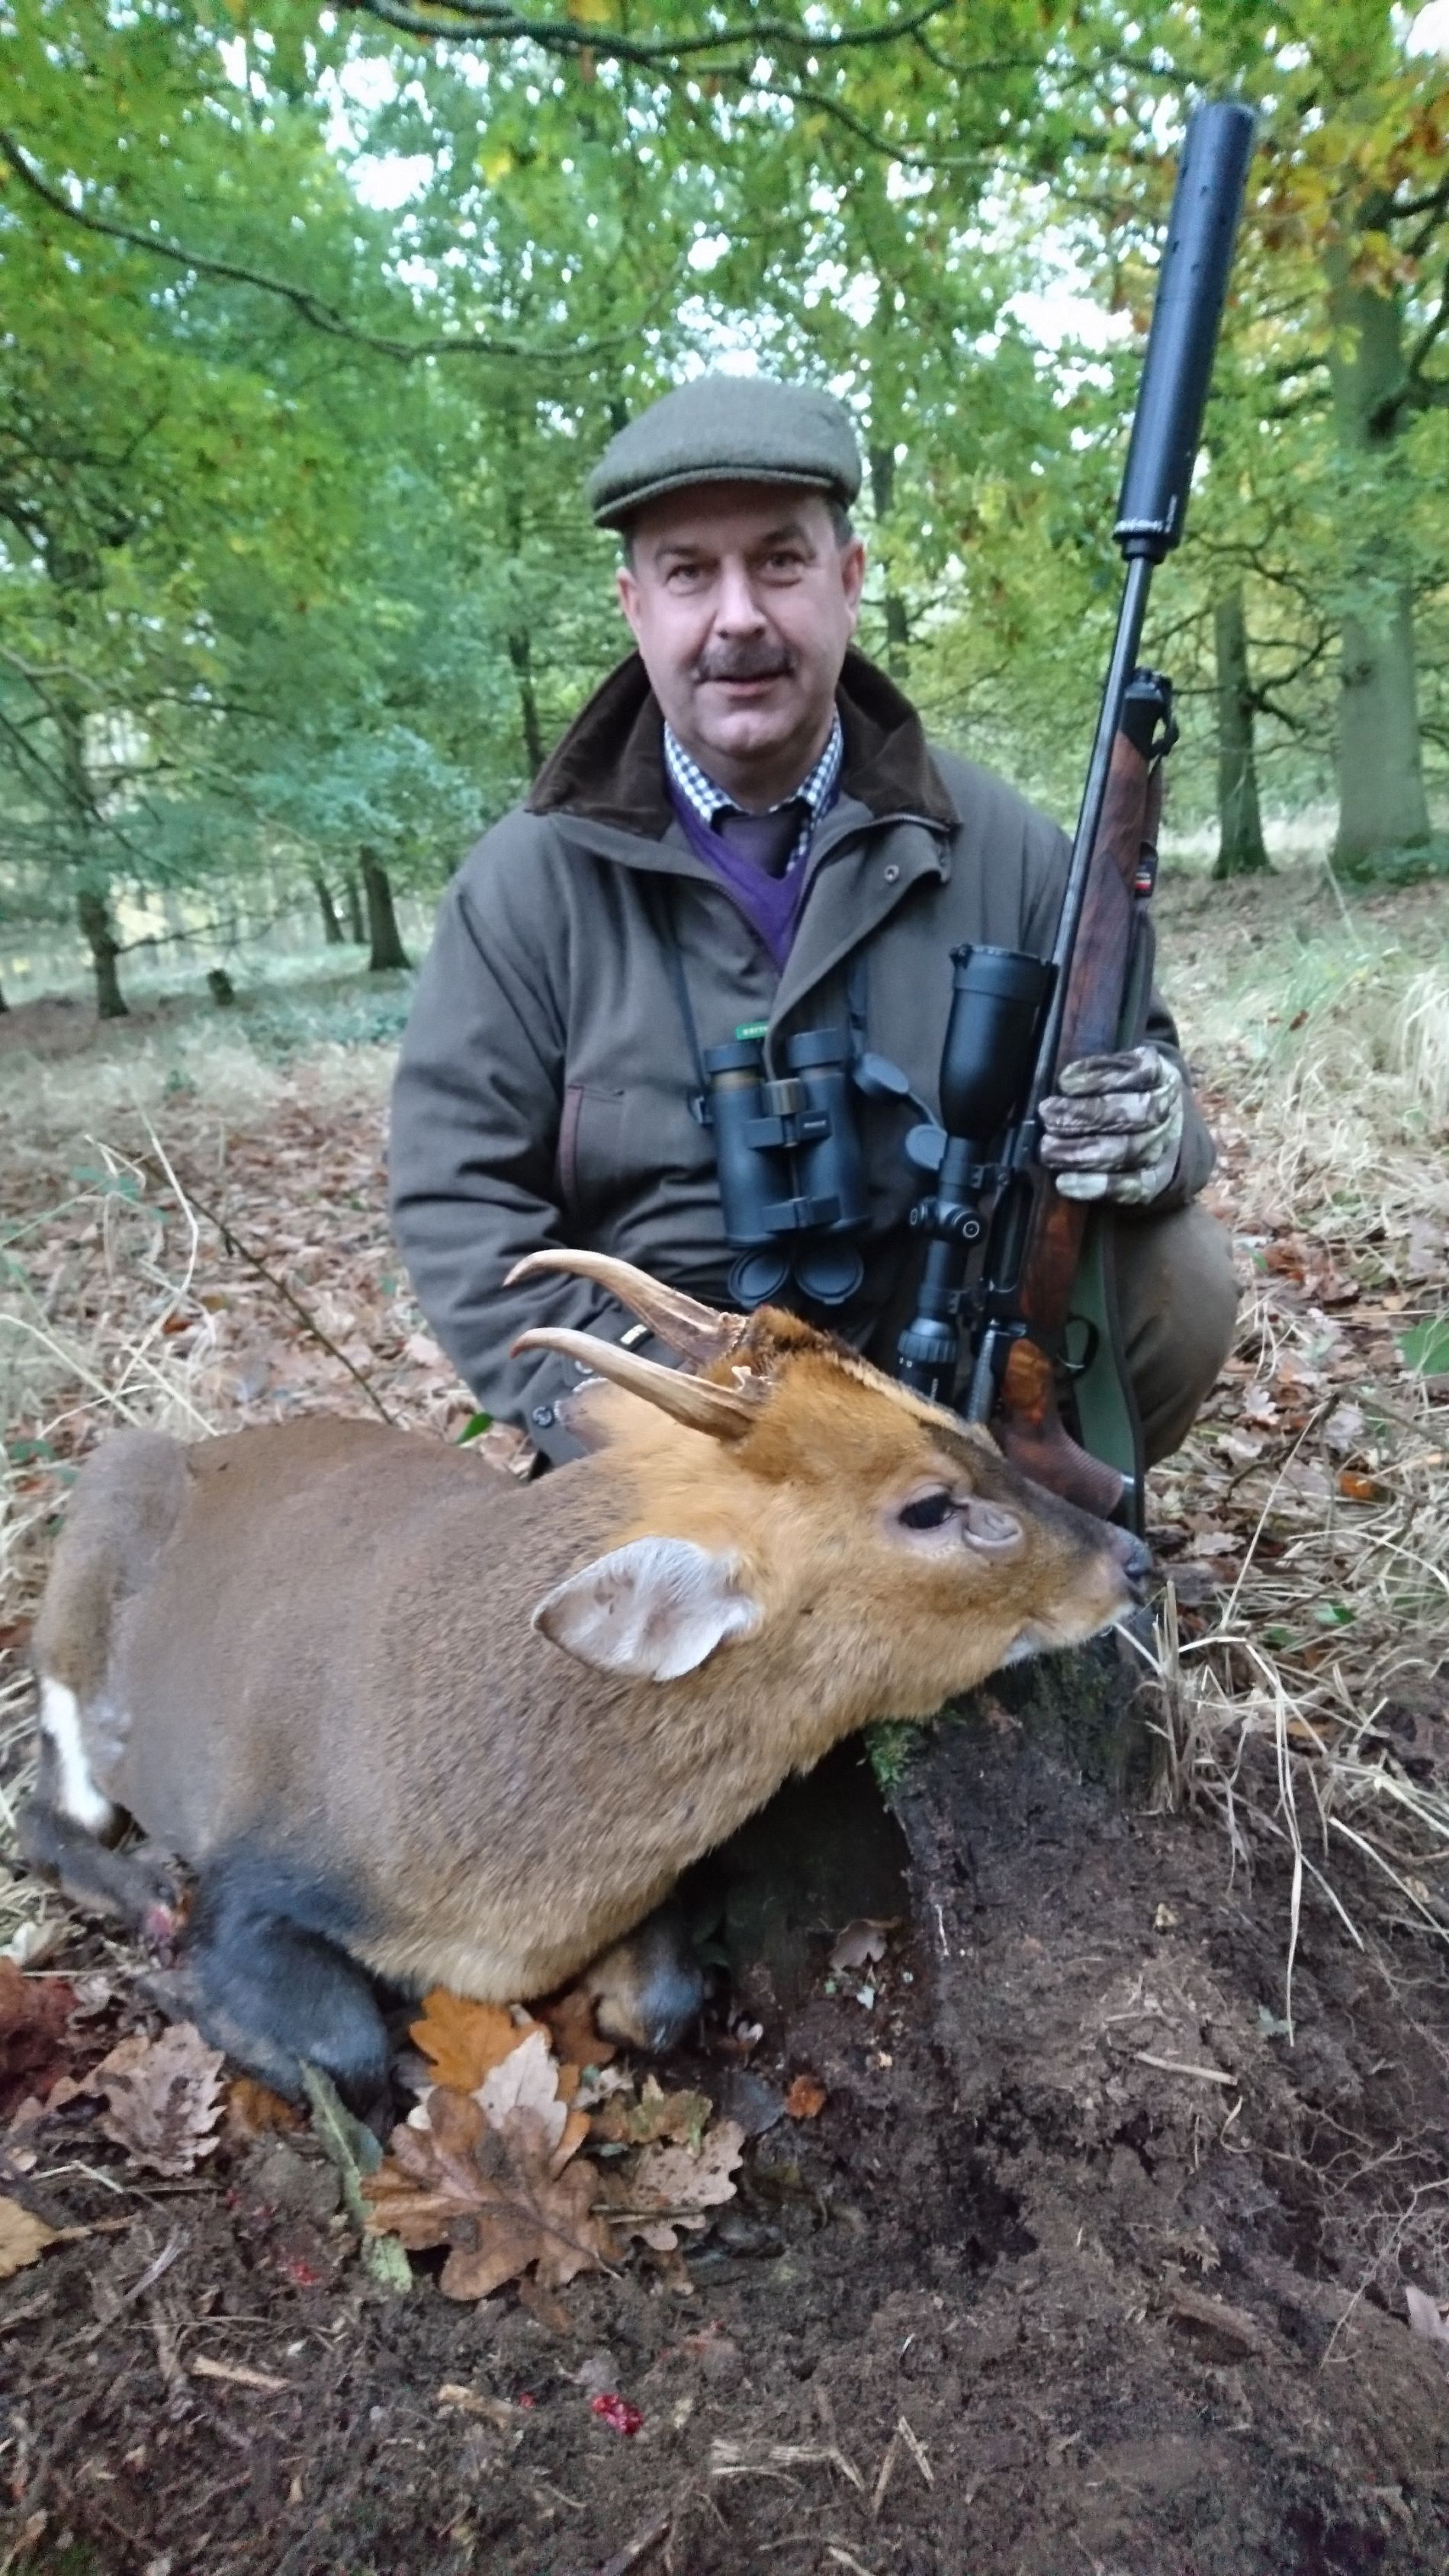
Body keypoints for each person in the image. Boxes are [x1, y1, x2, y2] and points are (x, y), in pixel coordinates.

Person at [390, 375, 1238, 1477]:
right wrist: (642, 1408)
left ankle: (1043, 1522)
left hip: (951, 1377)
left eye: (778, 561)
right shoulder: (524, 887)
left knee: (1180, 1273)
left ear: (847, 582)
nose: (737, 615)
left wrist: (1158, 1135)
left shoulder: (1008, 845)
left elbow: (1135, 1070)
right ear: (633, 607)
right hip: (685, 1428)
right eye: (688, 572)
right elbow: (462, 1207)